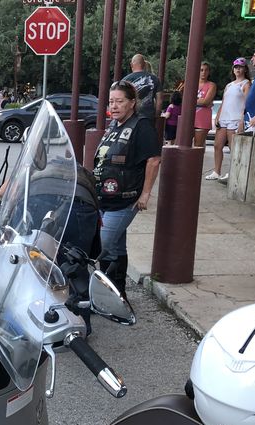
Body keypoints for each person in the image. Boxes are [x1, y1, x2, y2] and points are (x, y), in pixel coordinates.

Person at [92, 80, 161, 300]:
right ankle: (117, 295)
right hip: (104, 198)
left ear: (132, 102)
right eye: (111, 101)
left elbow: (153, 160)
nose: (114, 106)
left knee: (100, 246)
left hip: (125, 200)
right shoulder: (114, 125)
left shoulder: (141, 126)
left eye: (119, 101)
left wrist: (146, 194)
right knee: (116, 248)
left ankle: (101, 293)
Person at [206, 58, 251, 181]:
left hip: (235, 119)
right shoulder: (229, 85)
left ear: (245, 69)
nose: (238, 69)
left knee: (233, 148)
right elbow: (224, 102)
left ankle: (233, 172)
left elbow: (247, 103)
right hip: (224, 118)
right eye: (236, 67)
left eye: (240, 67)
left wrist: (242, 119)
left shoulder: (246, 84)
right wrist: (218, 116)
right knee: (217, 145)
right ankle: (216, 171)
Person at [122, 54, 162, 122]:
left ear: (131, 65)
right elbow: (159, 100)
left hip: (130, 117)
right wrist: (156, 115)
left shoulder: (125, 80)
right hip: (148, 117)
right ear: (144, 64)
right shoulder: (155, 79)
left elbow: (121, 99)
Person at [194, 62, 217, 148]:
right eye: (201, 70)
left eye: (206, 70)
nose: (203, 72)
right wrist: (201, 101)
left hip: (203, 118)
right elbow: (185, 99)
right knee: (185, 143)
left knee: (198, 145)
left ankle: (197, 161)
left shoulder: (211, 85)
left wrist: (194, 100)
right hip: (191, 117)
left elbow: (206, 102)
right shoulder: (192, 83)